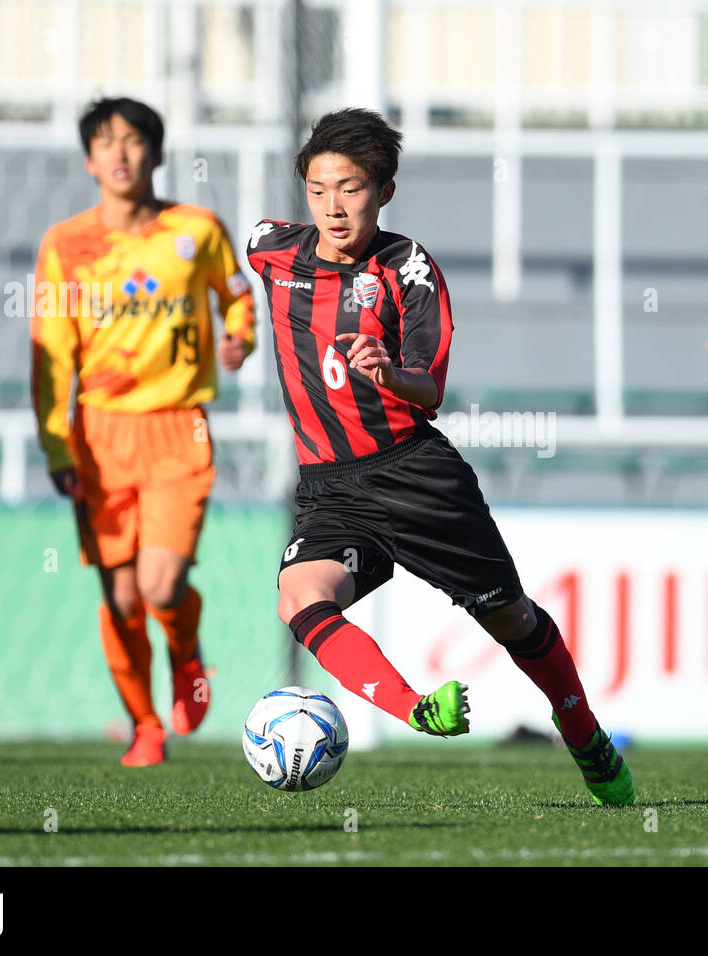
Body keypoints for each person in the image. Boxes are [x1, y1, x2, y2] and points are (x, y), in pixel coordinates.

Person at [246, 107, 633, 805]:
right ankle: (415, 708)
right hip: (331, 490)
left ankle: (582, 731)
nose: (334, 206)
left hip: (417, 478)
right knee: (298, 597)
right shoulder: (270, 247)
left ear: (384, 191)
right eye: (319, 188)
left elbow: (430, 388)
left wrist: (389, 374)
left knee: (508, 617)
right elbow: (220, 271)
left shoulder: (407, 268)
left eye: (352, 188)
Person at [31, 97, 255, 765]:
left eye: (134, 141)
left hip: (178, 429)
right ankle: (145, 725)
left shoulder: (197, 228)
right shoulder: (65, 246)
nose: (121, 154)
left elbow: (237, 295)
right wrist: (56, 443)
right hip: (98, 437)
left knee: (159, 586)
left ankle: (186, 650)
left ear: (157, 154)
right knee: (120, 595)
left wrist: (239, 337)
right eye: (107, 143)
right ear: (89, 160)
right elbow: (50, 351)